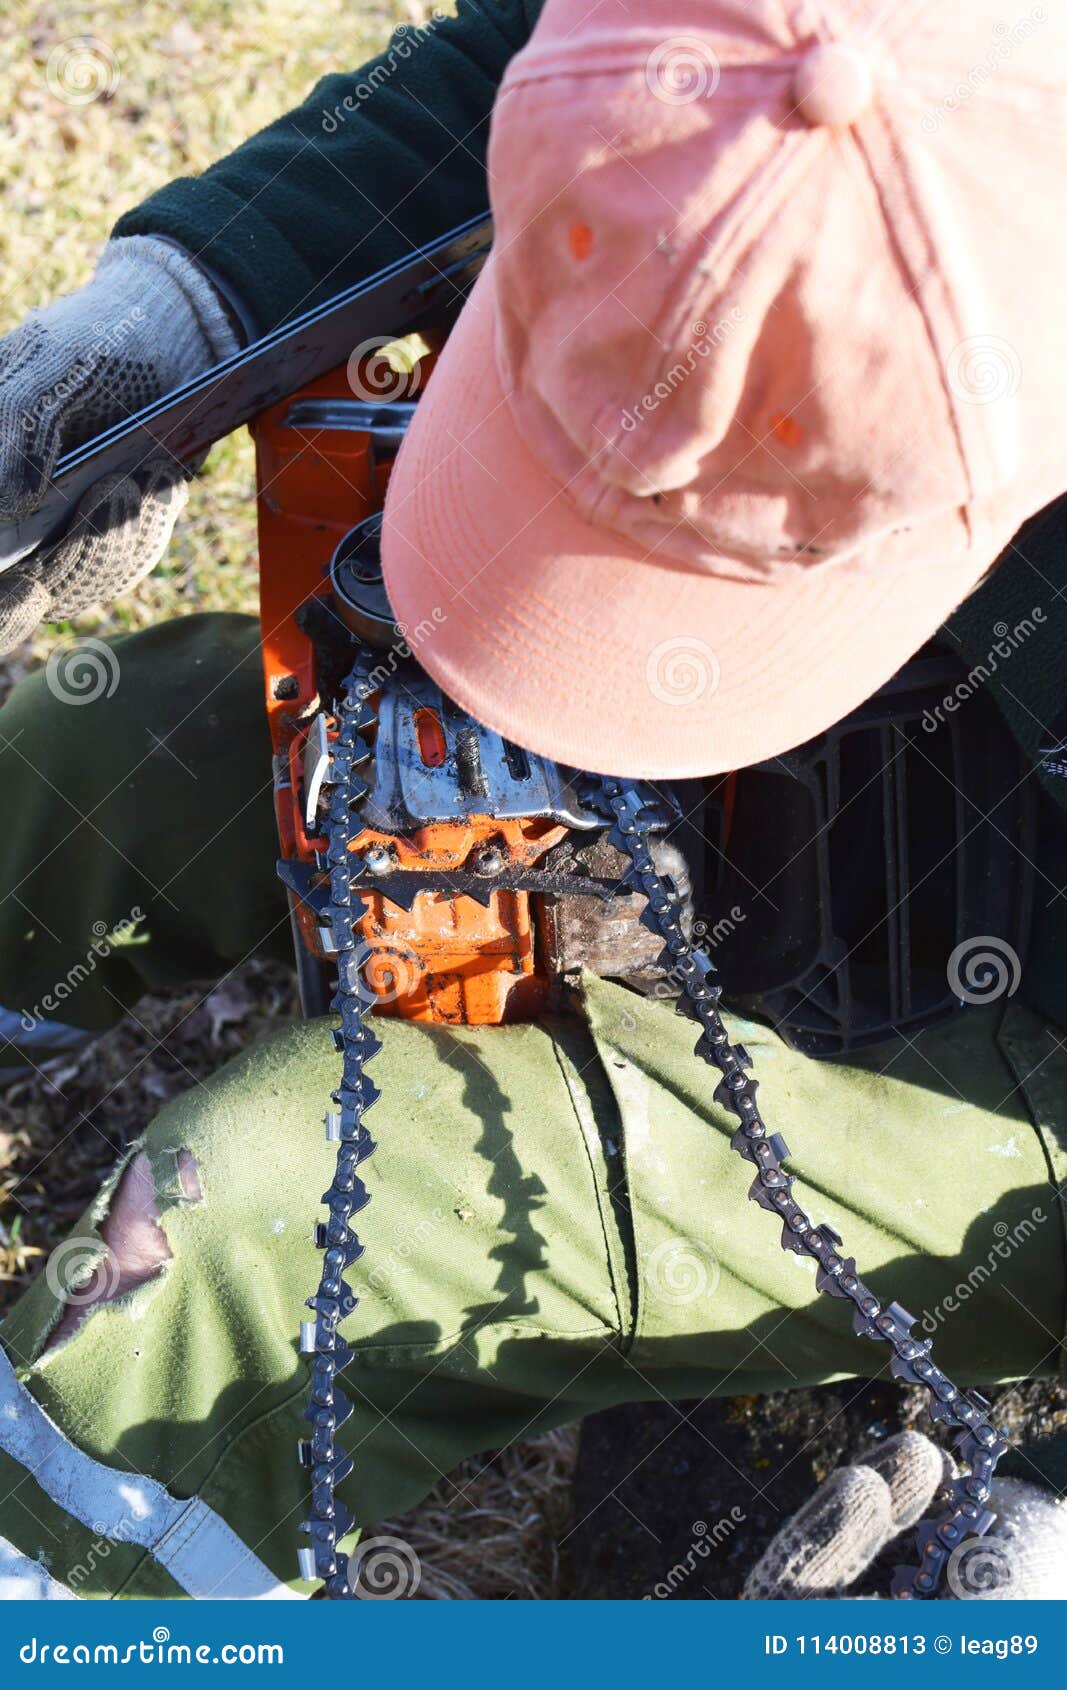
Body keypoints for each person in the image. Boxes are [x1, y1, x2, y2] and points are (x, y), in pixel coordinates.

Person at [1, 0, 1066, 1601]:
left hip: (1012, 1058)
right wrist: (184, 305)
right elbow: (559, 61)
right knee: (99, 760)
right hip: (832, 736)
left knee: (255, 1221)